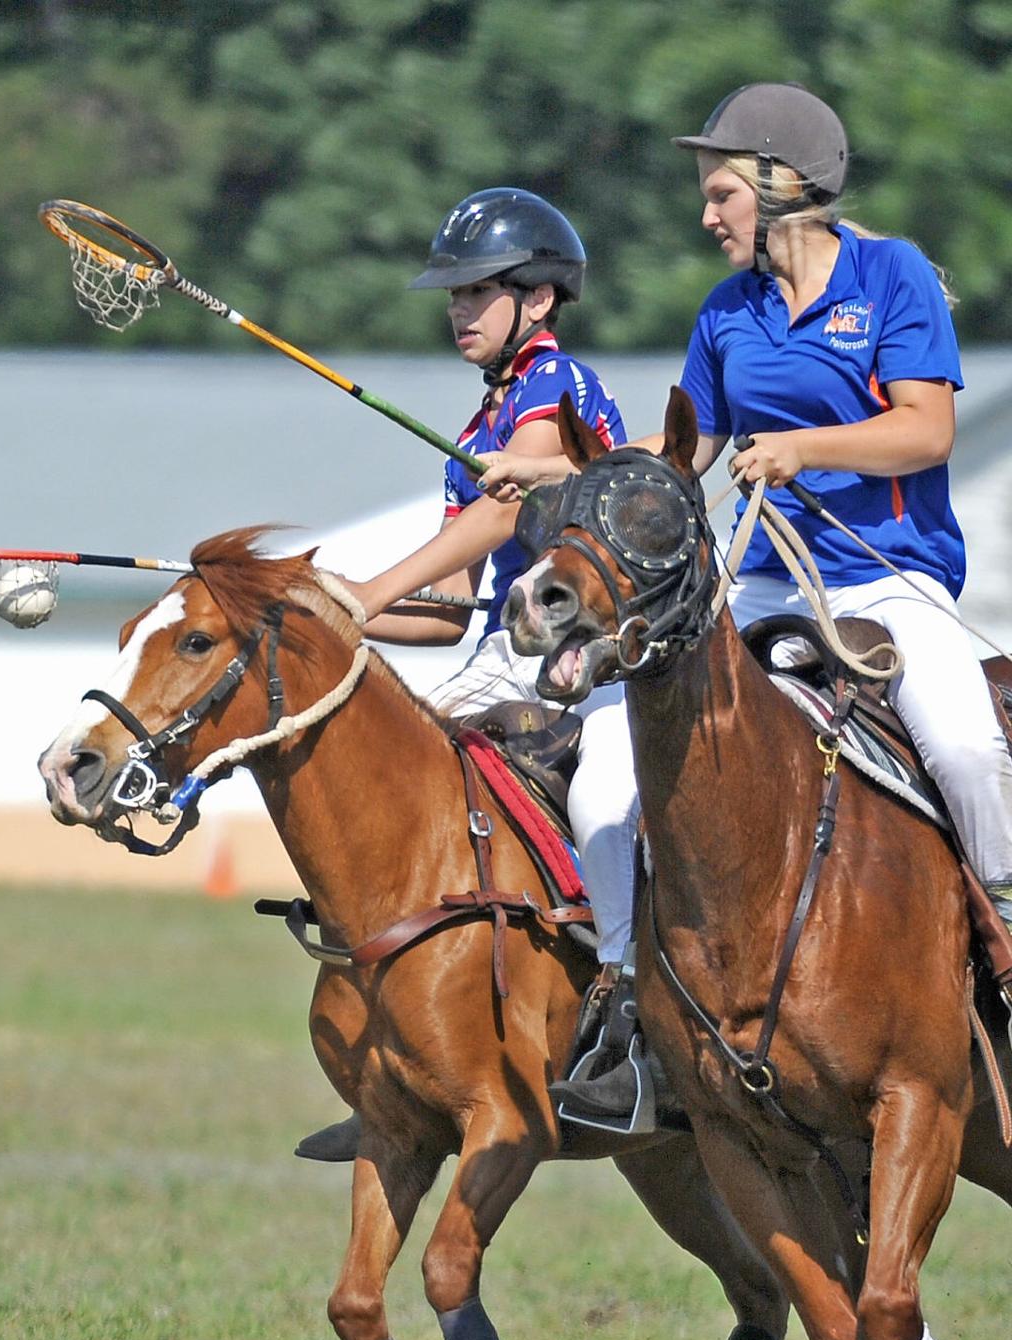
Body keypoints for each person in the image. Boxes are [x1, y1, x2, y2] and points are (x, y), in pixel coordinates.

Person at [481, 82, 1012, 1125]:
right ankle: (629, 1012)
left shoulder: (888, 277)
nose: (708, 215)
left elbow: (925, 433)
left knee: (959, 740)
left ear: (782, 187)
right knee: (610, 771)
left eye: (721, 192)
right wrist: (547, 476)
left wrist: (806, 446)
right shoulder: (727, 314)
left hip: (887, 574)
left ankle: (1000, 927)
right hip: (760, 574)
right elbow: (685, 456)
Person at [297, 187, 638, 1161]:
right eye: (453, 291)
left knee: (607, 799)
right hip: (500, 655)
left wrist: (367, 592)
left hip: (591, 657)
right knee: (383, 780)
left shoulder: (551, 389)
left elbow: (495, 521)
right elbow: (454, 607)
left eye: (479, 289)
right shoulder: (489, 411)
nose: (459, 308)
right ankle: (396, 1055)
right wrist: (329, 604)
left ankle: (622, 1013)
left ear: (538, 298)